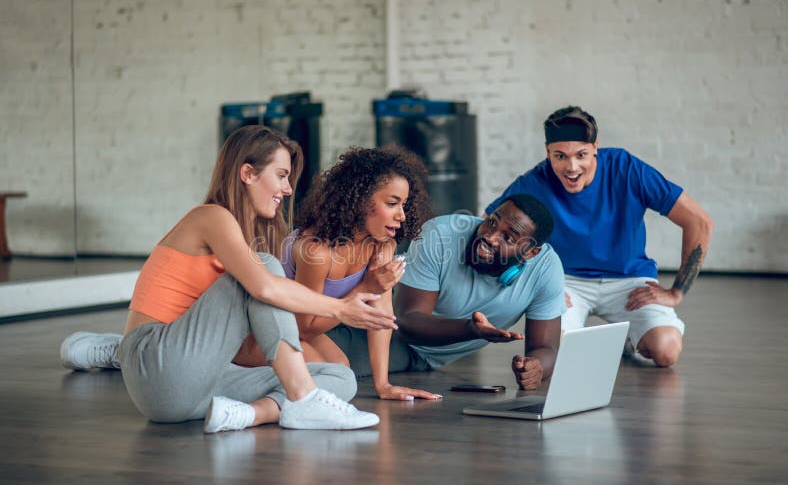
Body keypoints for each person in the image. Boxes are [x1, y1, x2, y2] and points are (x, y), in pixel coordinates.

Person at [63, 125, 397, 432]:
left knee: (341, 378)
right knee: (266, 268)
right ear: (247, 173)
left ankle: (252, 413)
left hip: (196, 390)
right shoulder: (210, 217)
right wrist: (340, 308)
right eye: (281, 176)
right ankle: (302, 399)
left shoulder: (247, 234)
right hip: (157, 366)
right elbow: (265, 286)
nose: (288, 188)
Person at [485, 106, 714, 367]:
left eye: (581, 154)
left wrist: (677, 292)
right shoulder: (535, 181)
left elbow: (699, 221)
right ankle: (587, 341)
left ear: (595, 147)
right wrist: (535, 280)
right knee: (555, 354)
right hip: (565, 282)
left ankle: (626, 342)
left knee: (666, 350)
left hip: (629, 280)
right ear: (548, 152)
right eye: (560, 156)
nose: (572, 167)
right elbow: (485, 230)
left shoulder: (626, 168)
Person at [233, 145, 441, 401]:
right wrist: (365, 288)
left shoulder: (383, 245)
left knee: (339, 371)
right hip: (259, 328)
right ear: (360, 200)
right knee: (324, 378)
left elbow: (381, 317)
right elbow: (303, 329)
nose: (401, 215)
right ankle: (233, 374)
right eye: (392, 203)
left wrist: (383, 385)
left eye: (404, 204)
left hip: (299, 328)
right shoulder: (317, 252)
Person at [326, 193, 566, 390]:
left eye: (508, 237)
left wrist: (536, 368)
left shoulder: (545, 268)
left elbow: (546, 348)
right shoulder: (441, 234)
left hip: (419, 358)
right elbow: (406, 321)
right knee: (325, 366)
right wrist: (471, 330)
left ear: (531, 253)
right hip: (378, 328)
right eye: (491, 222)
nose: (490, 237)